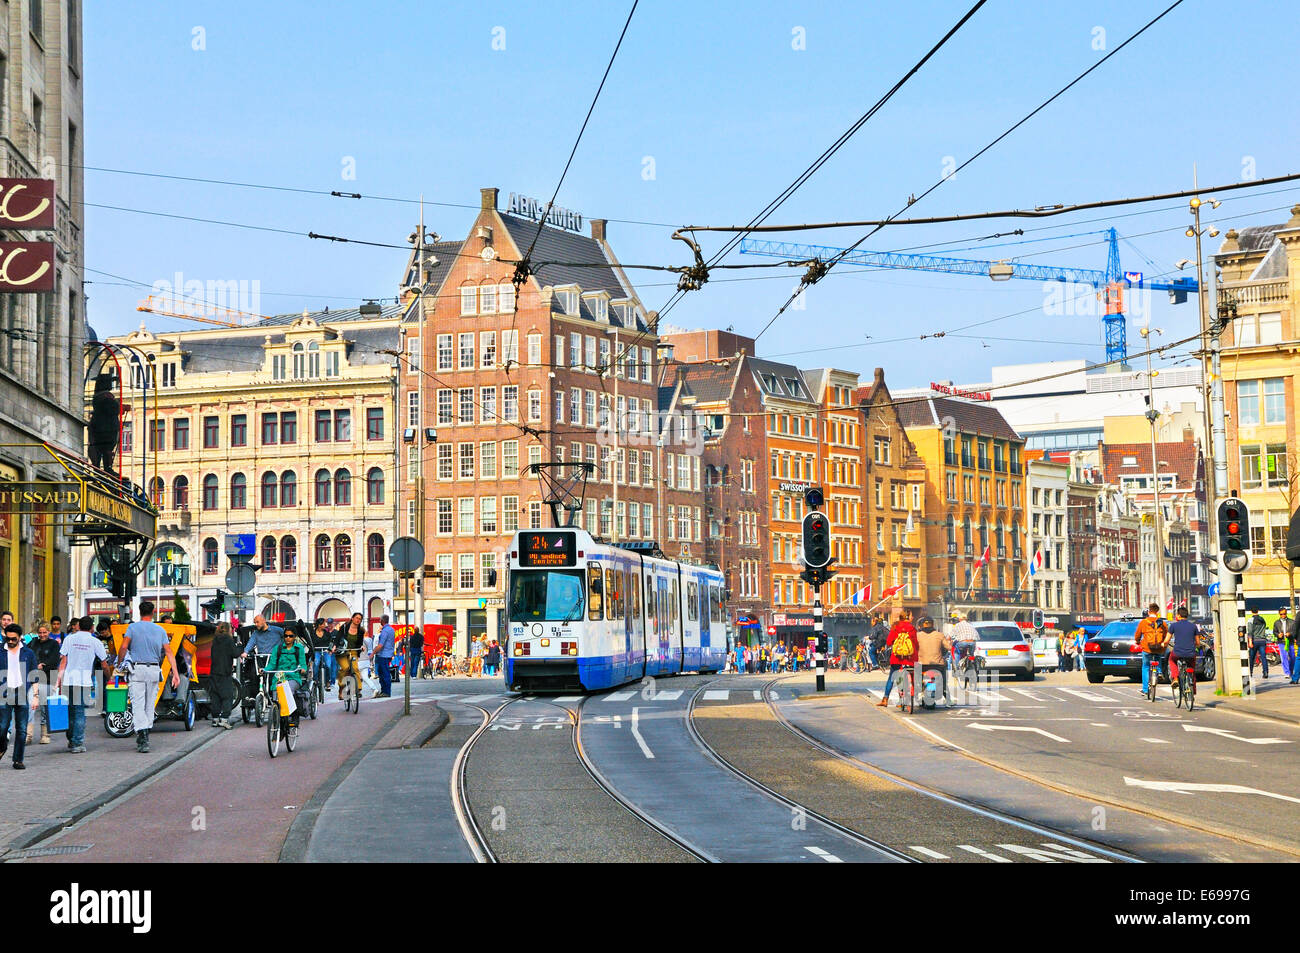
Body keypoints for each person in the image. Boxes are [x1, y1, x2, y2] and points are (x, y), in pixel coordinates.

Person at [118, 600, 180, 753]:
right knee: (149, 703)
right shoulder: (160, 630)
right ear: (153, 613)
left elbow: (124, 646)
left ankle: (142, 735)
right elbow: (169, 652)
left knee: (137, 703)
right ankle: (146, 731)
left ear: (139, 612)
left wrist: (120, 662)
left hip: (137, 669)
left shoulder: (132, 628)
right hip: (154, 669)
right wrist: (176, 673)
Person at [55, 616, 106, 752]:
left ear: (78, 626)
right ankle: (77, 743)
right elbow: (104, 662)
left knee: (70, 711)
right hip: (83, 682)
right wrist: (109, 675)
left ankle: (71, 739)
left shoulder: (69, 639)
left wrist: (58, 680)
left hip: (68, 680)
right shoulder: (95, 642)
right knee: (79, 713)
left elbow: (63, 661)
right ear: (92, 627)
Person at [1, 624, 35, 769]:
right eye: (7, 638)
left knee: (21, 729)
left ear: (20, 637)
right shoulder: (1, 651)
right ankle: (2, 747)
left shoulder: (28, 653)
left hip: (22, 693)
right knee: (2, 727)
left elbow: (34, 674)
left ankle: (18, 760)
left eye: (13, 639)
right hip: (4, 693)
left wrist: (36, 696)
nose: (10, 641)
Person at [266, 627, 308, 725]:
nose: (288, 638)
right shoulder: (278, 648)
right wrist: (264, 670)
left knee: (288, 689)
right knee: (276, 695)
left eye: (290, 636)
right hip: (280, 676)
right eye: (286, 636)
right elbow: (272, 664)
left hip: (293, 676)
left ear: (294, 637)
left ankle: (293, 715)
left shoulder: (299, 648)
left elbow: (303, 663)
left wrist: (303, 669)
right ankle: (278, 719)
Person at [29, 621, 60, 745]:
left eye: (44, 632)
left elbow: (54, 661)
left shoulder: (53, 644)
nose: (42, 635)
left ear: (49, 632)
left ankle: (45, 734)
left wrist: (42, 666)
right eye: (40, 632)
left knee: (45, 707)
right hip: (33, 678)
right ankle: (28, 735)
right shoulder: (33, 642)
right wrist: (37, 665)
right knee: (30, 707)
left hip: (48, 679)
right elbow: (28, 656)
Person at [878, 609, 917, 707]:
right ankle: (911, 696)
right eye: (912, 616)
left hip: (897, 658)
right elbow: (916, 644)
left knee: (892, 677)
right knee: (912, 676)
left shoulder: (895, 626)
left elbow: (889, 642)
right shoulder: (912, 628)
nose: (913, 618)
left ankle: (885, 699)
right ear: (907, 617)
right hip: (909, 658)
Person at [914, 615, 953, 704]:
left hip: (921, 665)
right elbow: (948, 647)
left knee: (916, 677)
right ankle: (948, 699)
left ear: (921, 625)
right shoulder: (939, 635)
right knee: (943, 682)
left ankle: (918, 691)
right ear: (933, 625)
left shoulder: (917, 636)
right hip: (937, 665)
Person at [1134, 603, 1170, 697]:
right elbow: (1167, 635)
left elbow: (1137, 634)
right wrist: (1164, 644)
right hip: (1158, 648)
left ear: (1149, 611)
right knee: (1158, 659)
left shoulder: (1144, 622)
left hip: (1147, 648)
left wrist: (1137, 641)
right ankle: (1159, 672)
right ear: (1157, 612)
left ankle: (1145, 689)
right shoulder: (1163, 623)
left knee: (1145, 666)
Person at [207, 621, 239, 729]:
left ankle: (215, 719)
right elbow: (234, 653)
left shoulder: (215, 640)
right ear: (229, 629)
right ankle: (224, 719)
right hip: (225, 672)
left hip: (214, 671)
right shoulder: (229, 640)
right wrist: (240, 648)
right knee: (227, 696)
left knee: (215, 696)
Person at [335, 612, 366, 700]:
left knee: (355, 668)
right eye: (356, 618)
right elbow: (338, 638)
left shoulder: (361, 630)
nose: (358, 620)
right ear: (352, 618)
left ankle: (358, 689)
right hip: (342, 651)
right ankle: (341, 687)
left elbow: (360, 642)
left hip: (353, 652)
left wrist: (362, 647)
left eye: (360, 619)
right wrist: (334, 646)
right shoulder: (344, 627)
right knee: (345, 668)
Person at [1167, 606, 1199, 690]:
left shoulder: (1173, 626)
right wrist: (1195, 646)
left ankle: (1176, 678)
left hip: (1177, 653)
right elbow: (1198, 642)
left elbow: (1167, 640)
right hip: (1191, 653)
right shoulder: (1194, 626)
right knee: (1192, 668)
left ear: (1178, 615)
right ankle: (1193, 691)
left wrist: (1163, 644)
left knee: (1171, 660)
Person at [310, 618, 335, 692]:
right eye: (323, 624)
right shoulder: (312, 633)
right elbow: (310, 643)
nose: (325, 625)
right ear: (319, 625)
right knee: (316, 663)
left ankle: (328, 682)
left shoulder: (327, 633)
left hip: (325, 651)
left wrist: (330, 650)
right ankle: (315, 680)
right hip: (317, 651)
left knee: (328, 665)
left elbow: (331, 642)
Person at [1273, 608, 1297, 682]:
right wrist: (1278, 635)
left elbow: (1294, 631)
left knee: (1292, 657)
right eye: (1281, 614)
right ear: (1279, 614)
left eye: (1284, 614)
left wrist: (1290, 634)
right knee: (1284, 658)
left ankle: (1291, 670)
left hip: (1290, 641)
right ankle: (1287, 673)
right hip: (1281, 642)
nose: (1283, 615)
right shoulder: (1276, 622)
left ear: (1286, 613)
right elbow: (1274, 632)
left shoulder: (1292, 622)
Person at [373, 615, 395, 697]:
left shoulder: (385, 631)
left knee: (383, 673)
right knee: (383, 672)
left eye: (380, 620)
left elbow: (381, 645)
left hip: (383, 655)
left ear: (382, 621)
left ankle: (386, 692)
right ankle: (385, 691)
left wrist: (373, 653)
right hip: (388, 654)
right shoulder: (391, 629)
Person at [1246, 609, 1269, 679]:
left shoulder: (1250, 620)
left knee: (1252, 657)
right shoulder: (1262, 619)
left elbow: (1250, 631)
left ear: (1251, 611)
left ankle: (1250, 672)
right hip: (1262, 640)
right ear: (1258, 611)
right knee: (1263, 657)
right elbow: (1264, 627)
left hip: (1254, 641)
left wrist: (1250, 641)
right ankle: (1265, 672)